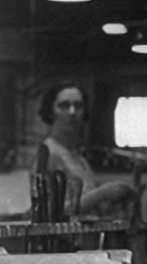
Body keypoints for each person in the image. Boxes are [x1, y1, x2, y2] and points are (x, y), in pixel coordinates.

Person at [34, 83, 134, 218]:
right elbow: (46, 212)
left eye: (78, 106)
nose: (72, 112)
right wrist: (102, 193)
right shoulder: (48, 153)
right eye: (64, 106)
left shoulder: (79, 159)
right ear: (51, 112)